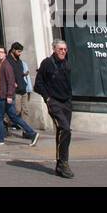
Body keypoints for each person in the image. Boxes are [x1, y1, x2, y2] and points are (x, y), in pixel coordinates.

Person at [0, 46, 39, 146]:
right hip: (3, 96)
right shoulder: (0, 65)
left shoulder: (6, 65)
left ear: (5, 53)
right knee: (14, 118)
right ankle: (32, 133)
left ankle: (0, 139)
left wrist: (9, 95)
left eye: (1, 52)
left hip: (2, 97)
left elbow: (11, 81)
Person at [34, 39, 74, 178]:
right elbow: (38, 84)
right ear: (54, 50)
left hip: (66, 102)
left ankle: (60, 165)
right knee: (65, 129)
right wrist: (48, 99)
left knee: (63, 132)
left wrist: (69, 98)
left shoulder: (67, 63)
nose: (63, 51)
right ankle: (63, 163)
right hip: (54, 102)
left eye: (65, 49)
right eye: (60, 49)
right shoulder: (47, 63)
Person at [3, 42, 41, 144]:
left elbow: (18, 74)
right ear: (13, 50)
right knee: (16, 111)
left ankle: (27, 132)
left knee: (25, 111)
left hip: (23, 89)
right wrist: (12, 83)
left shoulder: (19, 61)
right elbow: (7, 75)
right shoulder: (8, 62)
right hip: (15, 91)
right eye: (19, 51)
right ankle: (5, 122)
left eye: (21, 52)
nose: (20, 54)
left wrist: (24, 75)